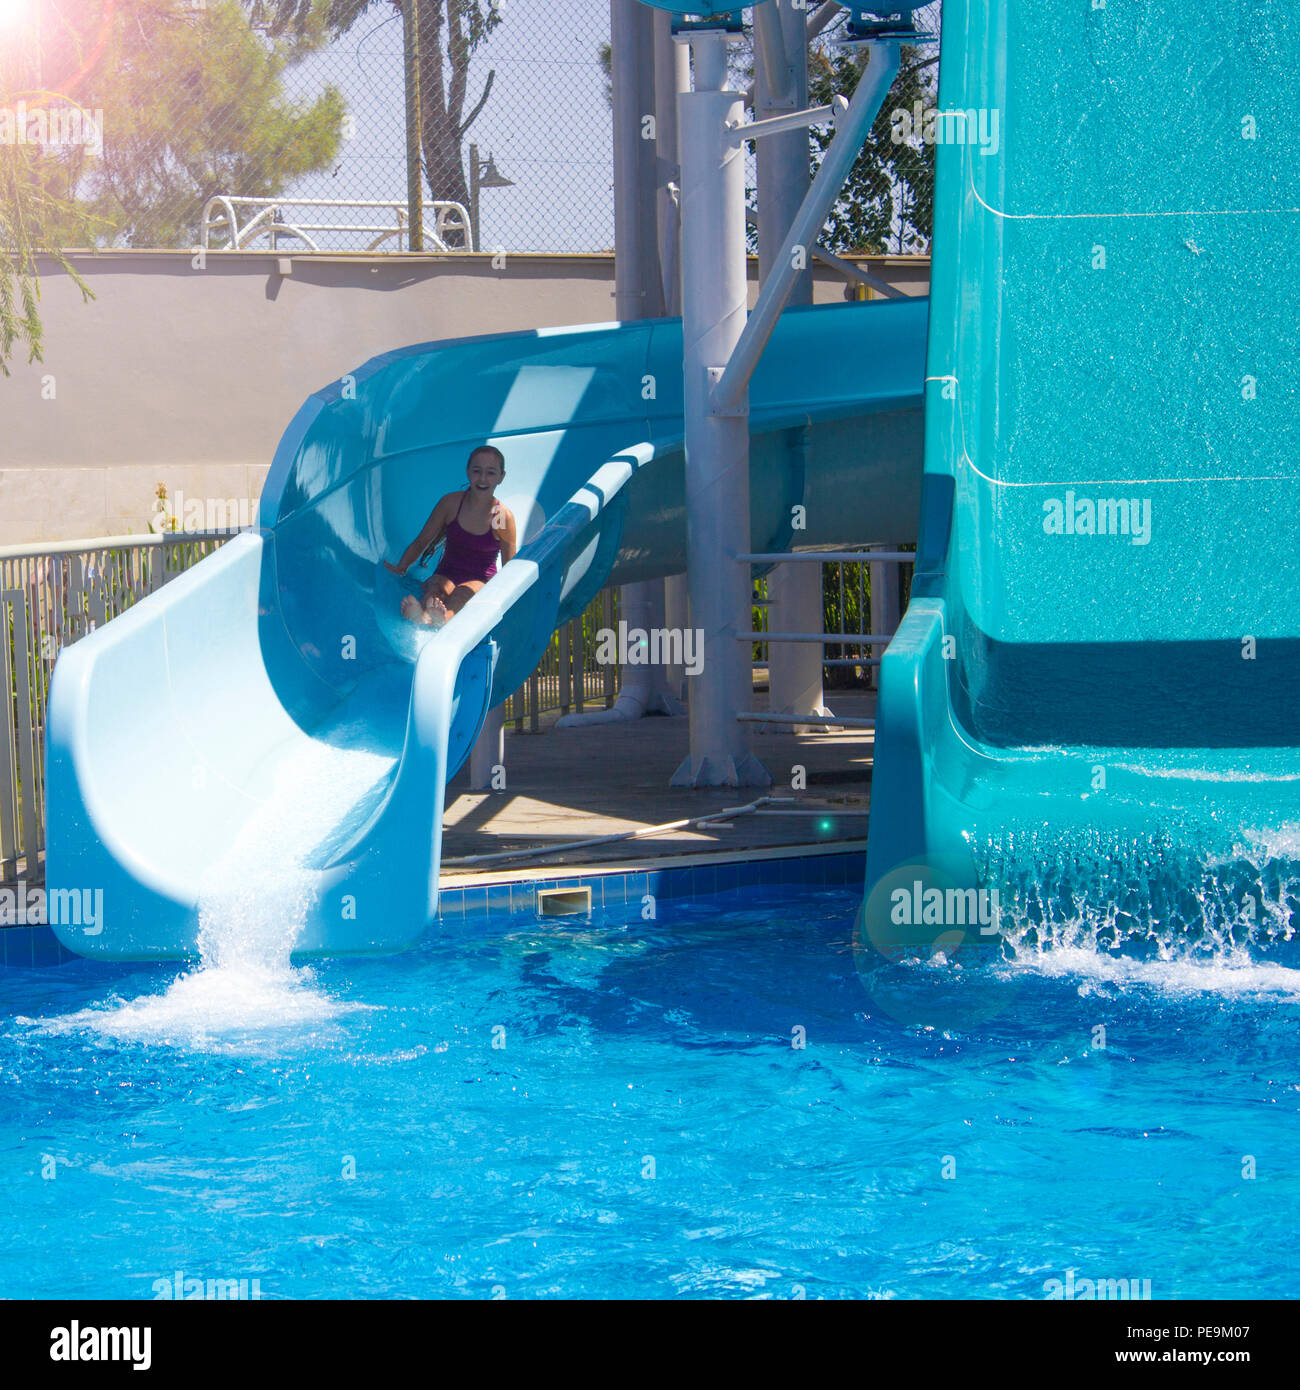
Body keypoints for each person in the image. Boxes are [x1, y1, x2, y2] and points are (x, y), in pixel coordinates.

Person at [385, 444, 517, 626]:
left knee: (463, 593)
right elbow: (422, 541)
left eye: (491, 473)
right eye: (476, 471)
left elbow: (510, 567)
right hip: (446, 573)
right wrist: (401, 568)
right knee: (434, 587)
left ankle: (442, 620)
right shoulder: (451, 504)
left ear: (501, 477)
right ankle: (423, 616)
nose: (482, 478)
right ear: (468, 472)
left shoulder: (501, 516)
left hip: (479, 579)